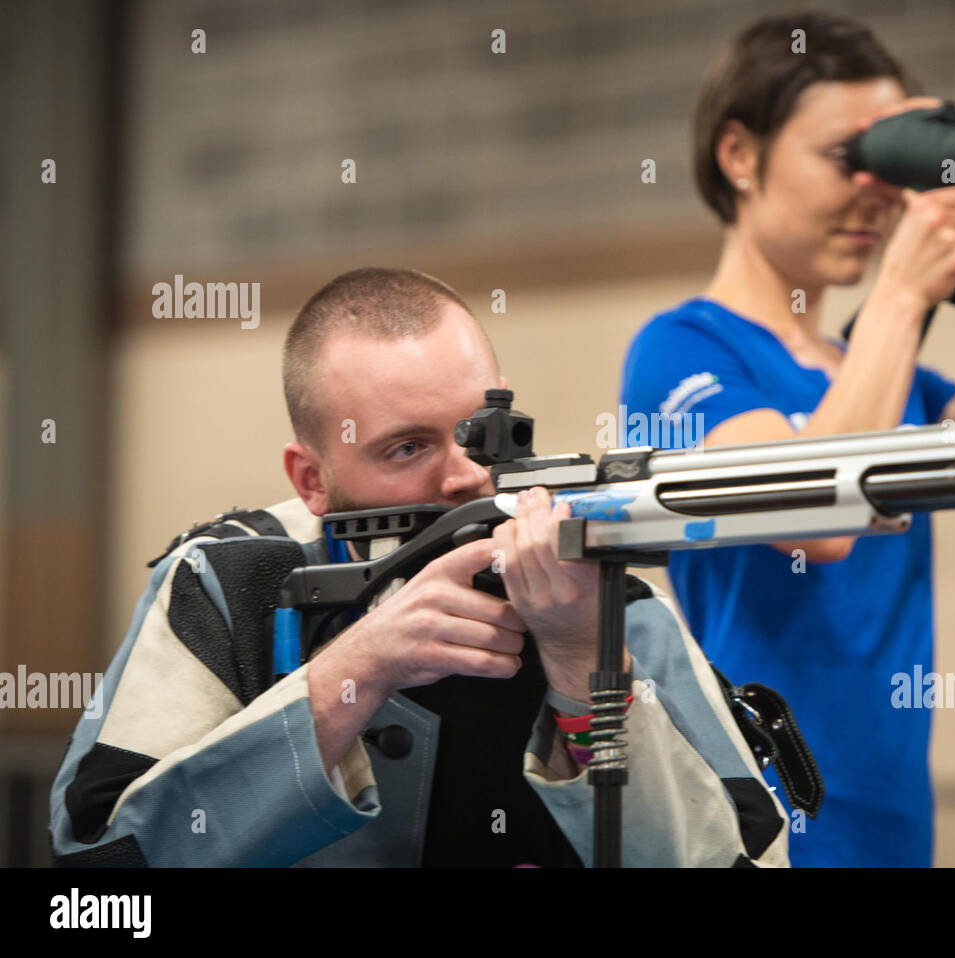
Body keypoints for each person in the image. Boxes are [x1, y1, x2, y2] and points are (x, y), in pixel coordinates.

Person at [49, 267, 789, 867]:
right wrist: (356, 674)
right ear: (311, 478)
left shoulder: (603, 600)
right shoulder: (231, 586)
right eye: (406, 448)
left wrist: (583, 673)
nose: (465, 477)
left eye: (482, 435)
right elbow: (99, 876)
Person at [619, 11, 955, 866]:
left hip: (894, 831)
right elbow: (821, 519)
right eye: (848, 157)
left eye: (886, 162)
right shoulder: (682, 349)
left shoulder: (889, 379)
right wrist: (901, 296)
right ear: (741, 157)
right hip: (758, 833)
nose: (873, 193)